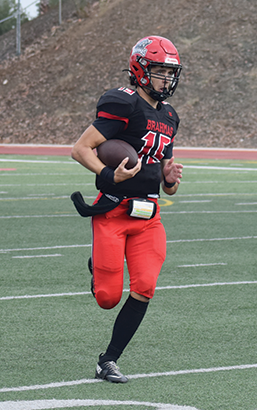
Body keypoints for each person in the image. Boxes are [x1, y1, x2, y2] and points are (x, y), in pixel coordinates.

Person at [69, 35, 184, 383]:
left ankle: (108, 360)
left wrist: (170, 180)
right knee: (107, 298)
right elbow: (80, 149)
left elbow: (167, 180)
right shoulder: (123, 103)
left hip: (149, 214)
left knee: (145, 286)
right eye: (160, 71)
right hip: (113, 211)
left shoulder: (170, 116)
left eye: (171, 72)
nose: (167, 79)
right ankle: (97, 266)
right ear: (141, 70)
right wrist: (108, 174)